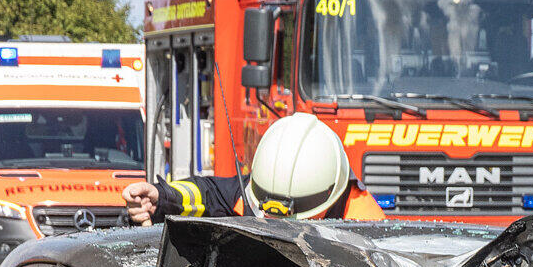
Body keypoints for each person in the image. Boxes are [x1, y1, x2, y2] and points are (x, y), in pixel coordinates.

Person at [123, 112, 385, 223]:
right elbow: (208, 193)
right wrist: (161, 198)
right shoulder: (258, 190)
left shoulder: (366, 224)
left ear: (331, 197)